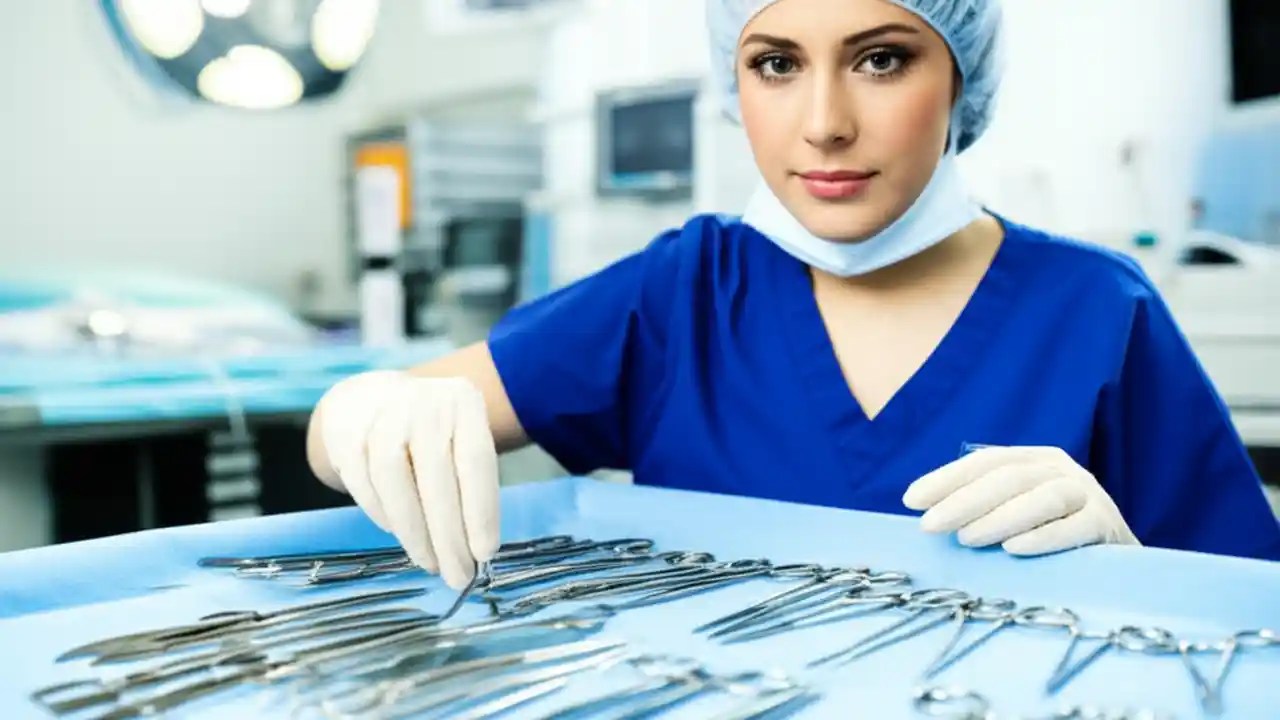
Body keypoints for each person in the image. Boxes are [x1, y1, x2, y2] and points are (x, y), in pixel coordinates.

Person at [307, 0, 1280, 589]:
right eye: (775, 64)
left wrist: (1134, 574)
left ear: (959, 78)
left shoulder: (1094, 310)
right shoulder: (685, 290)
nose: (822, 124)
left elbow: (1247, 620)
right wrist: (360, 411)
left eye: (880, 58)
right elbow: (379, 424)